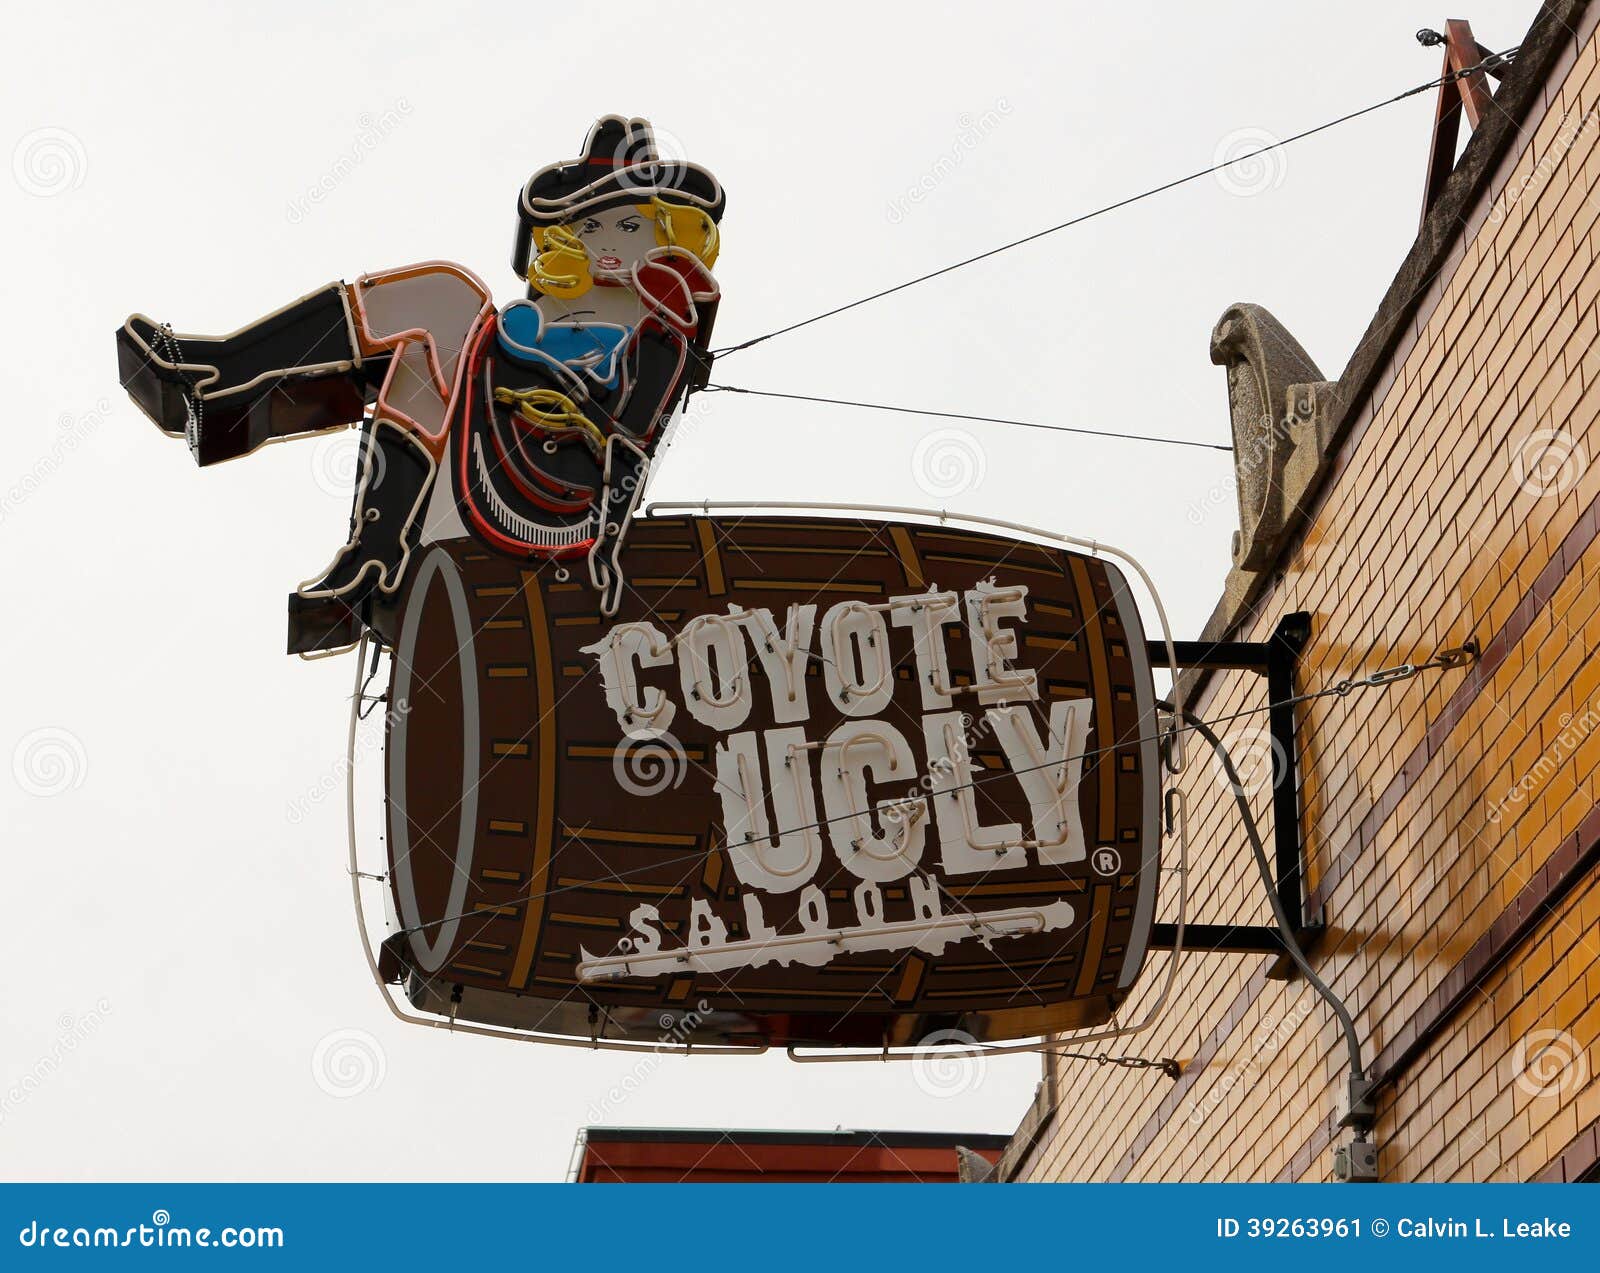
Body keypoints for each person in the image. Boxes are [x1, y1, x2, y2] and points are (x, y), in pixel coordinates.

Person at [115, 116, 724, 652]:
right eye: (591, 228)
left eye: (630, 227)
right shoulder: (533, 322)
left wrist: (609, 544)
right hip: (486, 450)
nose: (609, 246)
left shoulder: (662, 329)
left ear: (670, 234)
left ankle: (223, 369)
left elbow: (630, 438)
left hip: (557, 487)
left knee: (445, 298)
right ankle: (375, 556)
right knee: (412, 363)